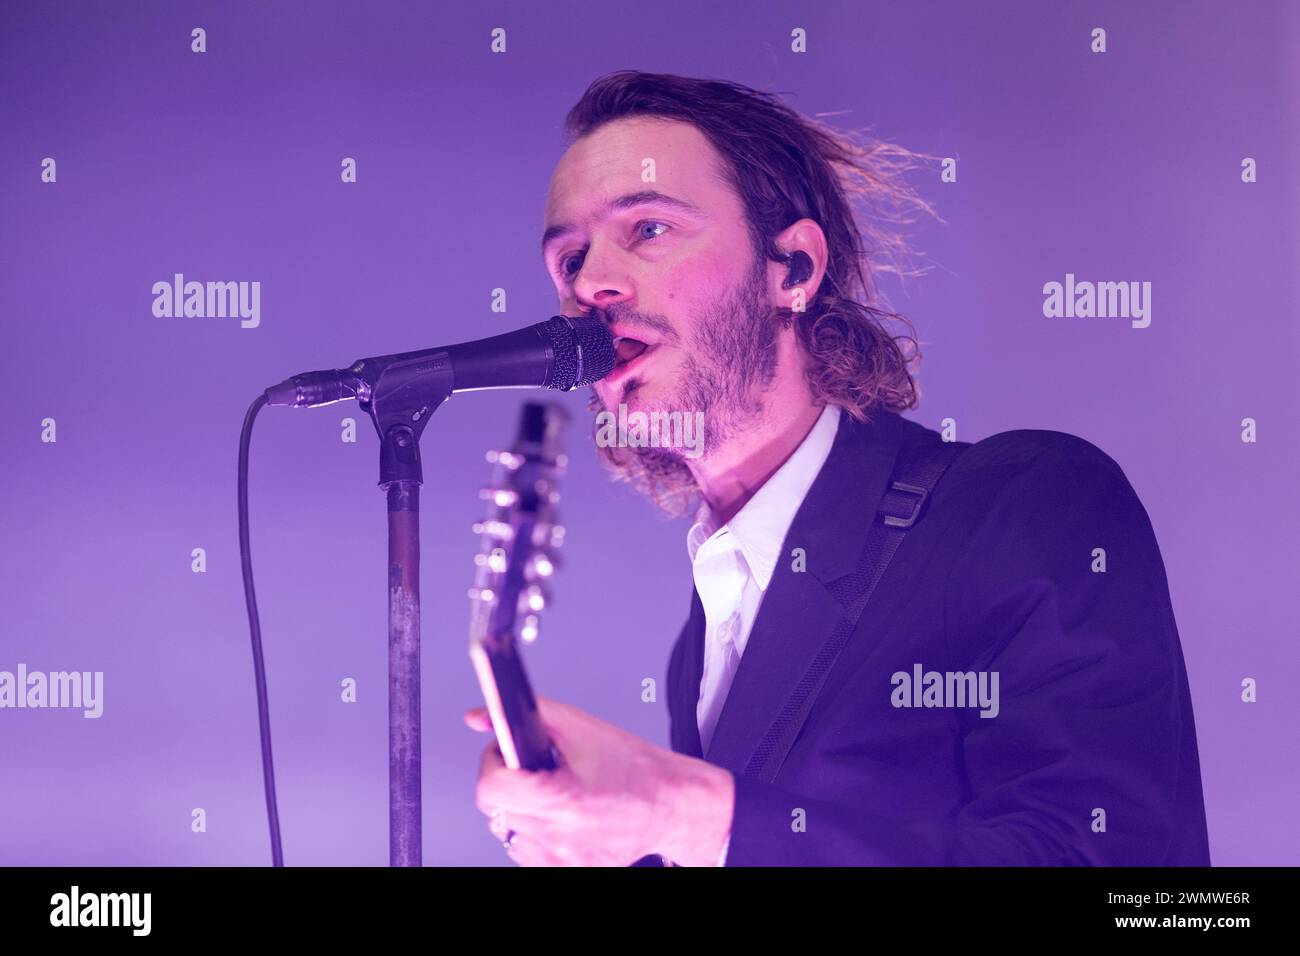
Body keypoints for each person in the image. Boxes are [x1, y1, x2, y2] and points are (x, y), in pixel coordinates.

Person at [465, 71, 1211, 867]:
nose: (589, 283)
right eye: (569, 257)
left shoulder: (1029, 504)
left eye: (648, 228)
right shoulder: (708, 627)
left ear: (793, 267)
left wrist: (688, 813)